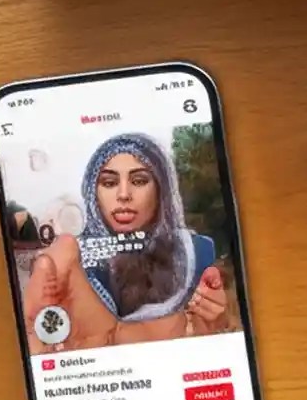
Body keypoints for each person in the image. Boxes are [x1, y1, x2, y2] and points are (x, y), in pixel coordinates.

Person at [22, 133, 228, 354]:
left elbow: (214, 337)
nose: (123, 195)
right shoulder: (71, 257)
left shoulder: (193, 252)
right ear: (93, 192)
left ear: (161, 189)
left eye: (139, 181)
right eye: (109, 183)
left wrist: (214, 318)